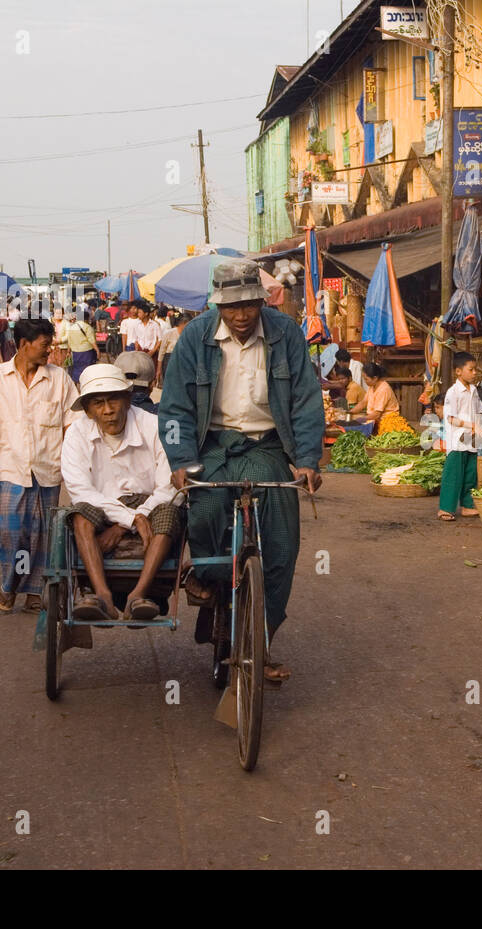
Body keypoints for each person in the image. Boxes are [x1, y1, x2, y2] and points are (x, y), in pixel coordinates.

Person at [157, 260, 325, 684]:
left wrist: (306, 460)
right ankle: (211, 583)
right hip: (211, 446)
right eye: (232, 308)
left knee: (282, 546)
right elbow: (174, 407)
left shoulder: (285, 333)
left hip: (267, 445)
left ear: (260, 301)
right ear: (218, 306)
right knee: (206, 512)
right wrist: (179, 461)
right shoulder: (195, 337)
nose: (242, 316)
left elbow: (306, 400)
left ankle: (260, 643)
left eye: (249, 305)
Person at [0, 316, 79, 614]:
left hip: (48, 468)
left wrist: (72, 462)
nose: (49, 350)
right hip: (12, 468)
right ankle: (10, 584)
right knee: (12, 533)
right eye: (44, 345)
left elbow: (72, 425)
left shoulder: (59, 379)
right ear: (24, 344)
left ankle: (32, 591)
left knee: (42, 534)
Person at [62, 364, 182, 621]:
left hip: (151, 505)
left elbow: (169, 488)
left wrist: (125, 524)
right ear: (87, 409)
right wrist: (129, 519)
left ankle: (137, 595)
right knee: (79, 515)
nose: (108, 410)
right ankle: (103, 595)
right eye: (98, 403)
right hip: (103, 507)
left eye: (114, 399)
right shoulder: (76, 433)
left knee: (171, 511)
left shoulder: (156, 426)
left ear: (127, 399)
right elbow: (81, 491)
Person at [437, 351, 482, 522]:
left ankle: (467, 506)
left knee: (470, 475)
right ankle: (445, 508)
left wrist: (480, 428)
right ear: (458, 371)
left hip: (471, 441)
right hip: (457, 441)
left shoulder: (474, 391)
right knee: (453, 475)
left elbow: (479, 411)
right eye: (471, 370)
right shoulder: (453, 392)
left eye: (475, 369)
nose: (474, 373)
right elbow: (450, 418)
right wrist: (471, 425)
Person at [66, 303, 99, 384]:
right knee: (87, 371)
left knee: (77, 370)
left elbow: (69, 341)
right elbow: (92, 341)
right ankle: (85, 388)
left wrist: (68, 351)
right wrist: (98, 351)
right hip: (86, 353)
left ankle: (77, 390)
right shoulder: (87, 327)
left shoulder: (72, 327)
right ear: (86, 319)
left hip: (75, 353)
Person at [157, 311, 189, 386]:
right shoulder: (169, 333)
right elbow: (161, 352)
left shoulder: (188, 334)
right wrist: (159, 369)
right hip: (169, 361)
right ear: (182, 323)